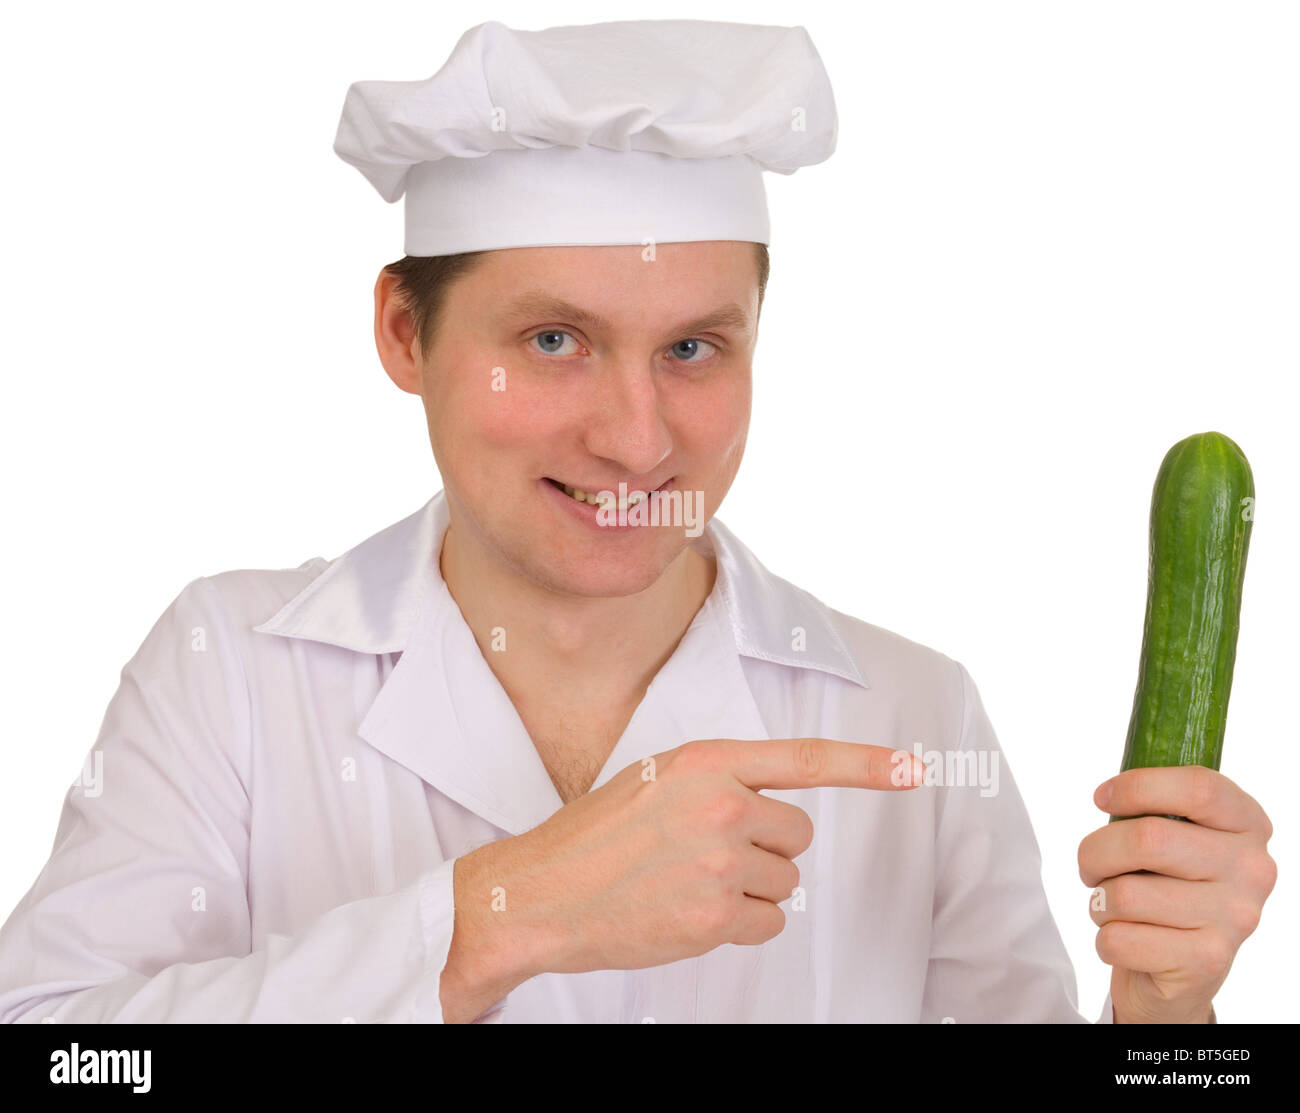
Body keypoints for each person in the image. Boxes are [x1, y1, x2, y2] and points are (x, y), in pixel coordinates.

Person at [0, 19, 1274, 1024]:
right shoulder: (233, 670)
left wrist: (1166, 1018)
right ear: (403, 333)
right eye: (554, 340)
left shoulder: (910, 717)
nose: (636, 438)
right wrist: (501, 917)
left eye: (692, 348)